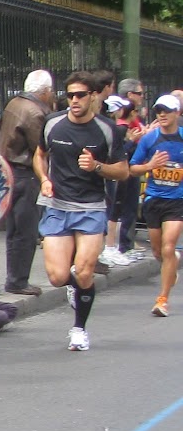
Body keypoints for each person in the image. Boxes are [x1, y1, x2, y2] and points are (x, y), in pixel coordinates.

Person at [35, 70, 129, 351]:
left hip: (90, 207)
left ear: (92, 97)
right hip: (57, 205)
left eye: (80, 95)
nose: (74, 100)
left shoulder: (107, 129)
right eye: (70, 95)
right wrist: (44, 180)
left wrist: (98, 167)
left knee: (85, 272)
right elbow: (40, 155)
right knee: (58, 276)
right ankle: (73, 286)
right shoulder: (52, 123)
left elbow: (123, 171)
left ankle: (79, 329)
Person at [0, 70, 54, 295]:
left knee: (14, 228)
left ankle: (14, 277)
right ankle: (18, 280)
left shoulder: (14, 104)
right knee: (26, 230)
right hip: (25, 172)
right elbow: (41, 149)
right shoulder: (35, 112)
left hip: (8, 169)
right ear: (45, 92)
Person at [128, 92, 183, 316]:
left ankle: (162, 300)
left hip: (177, 201)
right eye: (158, 111)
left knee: (169, 247)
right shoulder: (150, 139)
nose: (161, 115)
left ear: (178, 113)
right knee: (159, 252)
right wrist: (150, 165)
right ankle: (172, 266)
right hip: (153, 199)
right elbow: (132, 168)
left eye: (166, 111)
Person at [100, 80, 147, 266]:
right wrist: (132, 141)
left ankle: (117, 246)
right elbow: (117, 154)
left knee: (120, 208)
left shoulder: (121, 129)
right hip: (117, 174)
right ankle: (111, 246)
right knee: (114, 209)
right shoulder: (119, 129)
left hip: (122, 173)